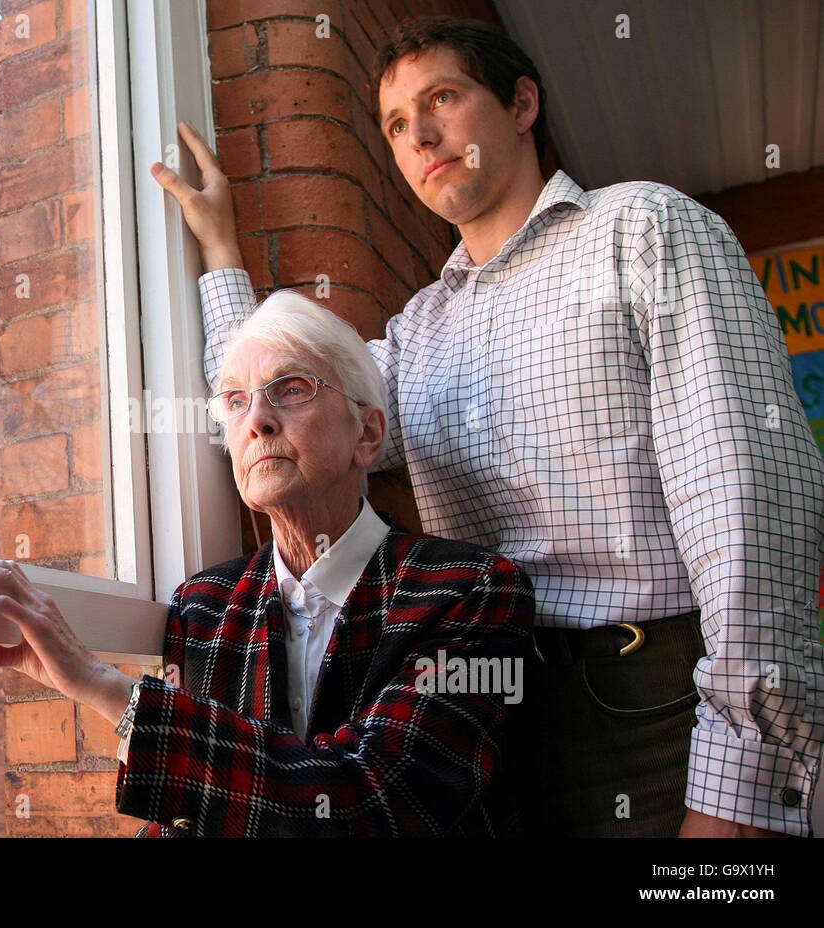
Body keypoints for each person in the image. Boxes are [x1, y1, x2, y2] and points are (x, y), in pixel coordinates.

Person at [151, 15, 824, 837]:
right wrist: (220, 249)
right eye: (397, 124)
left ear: (521, 103)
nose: (421, 135)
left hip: (660, 704)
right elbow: (277, 400)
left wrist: (743, 786)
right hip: (482, 707)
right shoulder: (420, 333)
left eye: (443, 97)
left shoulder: (643, 231)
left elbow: (752, 507)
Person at [0, 289, 534, 836]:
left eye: (293, 388)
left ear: (367, 432)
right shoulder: (203, 604)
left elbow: (373, 802)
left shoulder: (473, 590)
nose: (256, 420)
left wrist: (103, 685)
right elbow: (191, 817)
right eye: (235, 400)